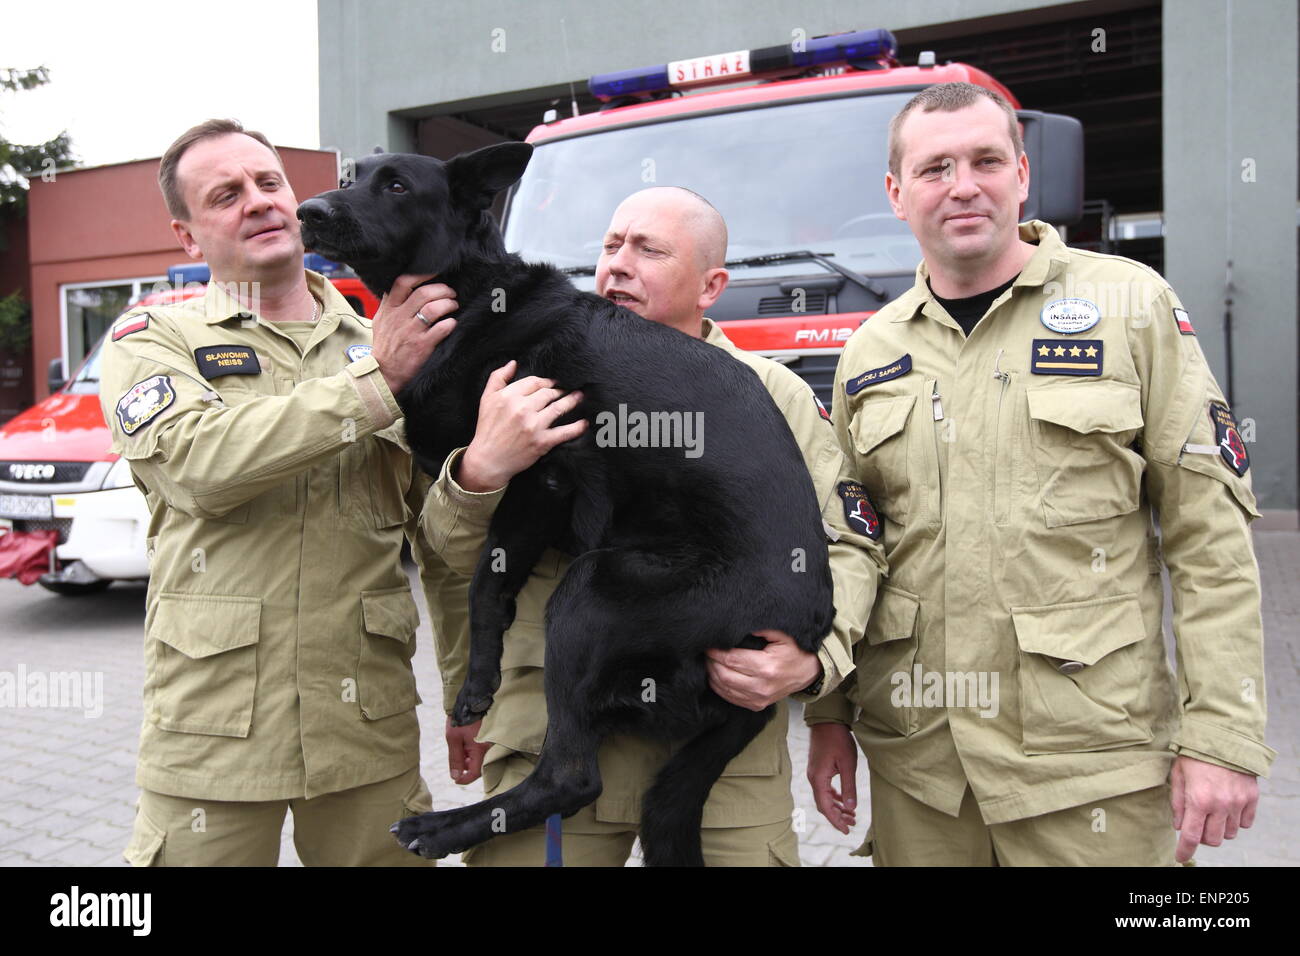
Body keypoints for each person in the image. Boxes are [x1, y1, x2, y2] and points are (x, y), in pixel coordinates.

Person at [806, 82, 1274, 865]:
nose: (963, 184)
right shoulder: (869, 352)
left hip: (1090, 766)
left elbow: (1208, 535)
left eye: (987, 159)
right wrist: (828, 716)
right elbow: (847, 549)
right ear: (896, 193)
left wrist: (1223, 735)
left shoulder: (1129, 305)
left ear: (1023, 174)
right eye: (934, 168)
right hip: (922, 767)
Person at [419, 186, 886, 866]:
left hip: (722, 756)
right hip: (551, 729)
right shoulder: (523, 384)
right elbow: (455, 558)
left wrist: (815, 663)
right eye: (610, 247)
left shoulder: (768, 391)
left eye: (649, 250)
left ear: (710, 285)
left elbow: (851, 546)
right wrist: (484, 467)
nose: (617, 266)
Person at [102, 119, 465, 866]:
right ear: (186, 235)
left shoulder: (386, 340)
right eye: (226, 195)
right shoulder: (153, 339)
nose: (259, 202)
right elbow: (202, 467)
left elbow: (445, 548)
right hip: (213, 735)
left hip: (365, 727)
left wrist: (471, 694)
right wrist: (375, 384)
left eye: (269, 184)